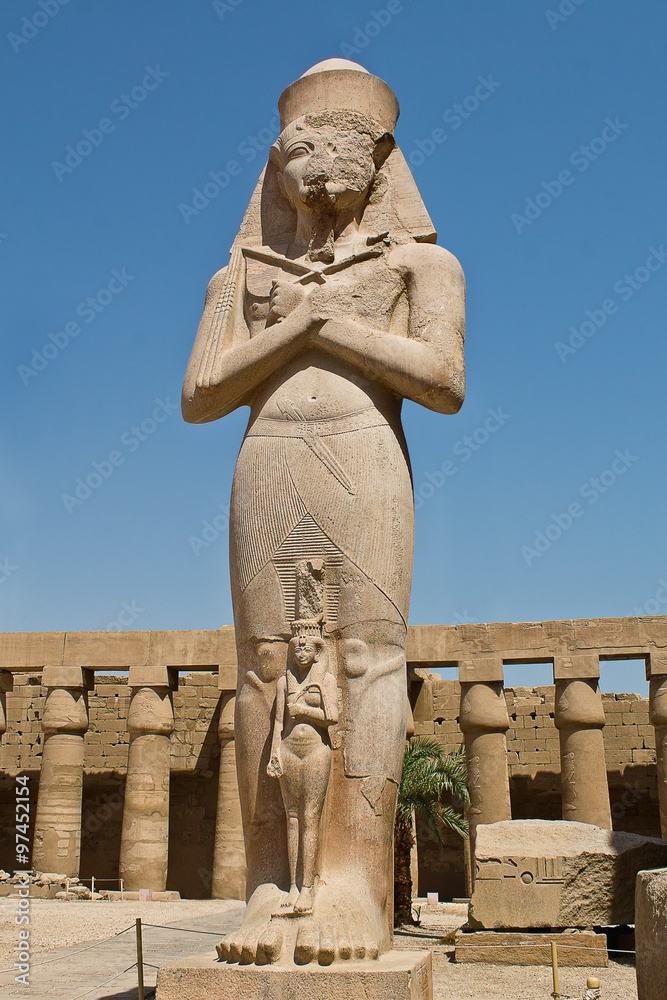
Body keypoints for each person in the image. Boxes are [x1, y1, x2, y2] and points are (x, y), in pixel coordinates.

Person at [182, 59, 465, 966]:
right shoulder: (239, 277)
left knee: (364, 659)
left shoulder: (424, 263)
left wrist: (322, 325)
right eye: (296, 149)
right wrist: (287, 323)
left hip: (362, 453)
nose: (313, 166)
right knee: (266, 666)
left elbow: (444, 383)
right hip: (267, 460)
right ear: (273, 165)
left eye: (335, 146)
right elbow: (198, 393)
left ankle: (349, 887)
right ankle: (271, 885)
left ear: (380, 160)